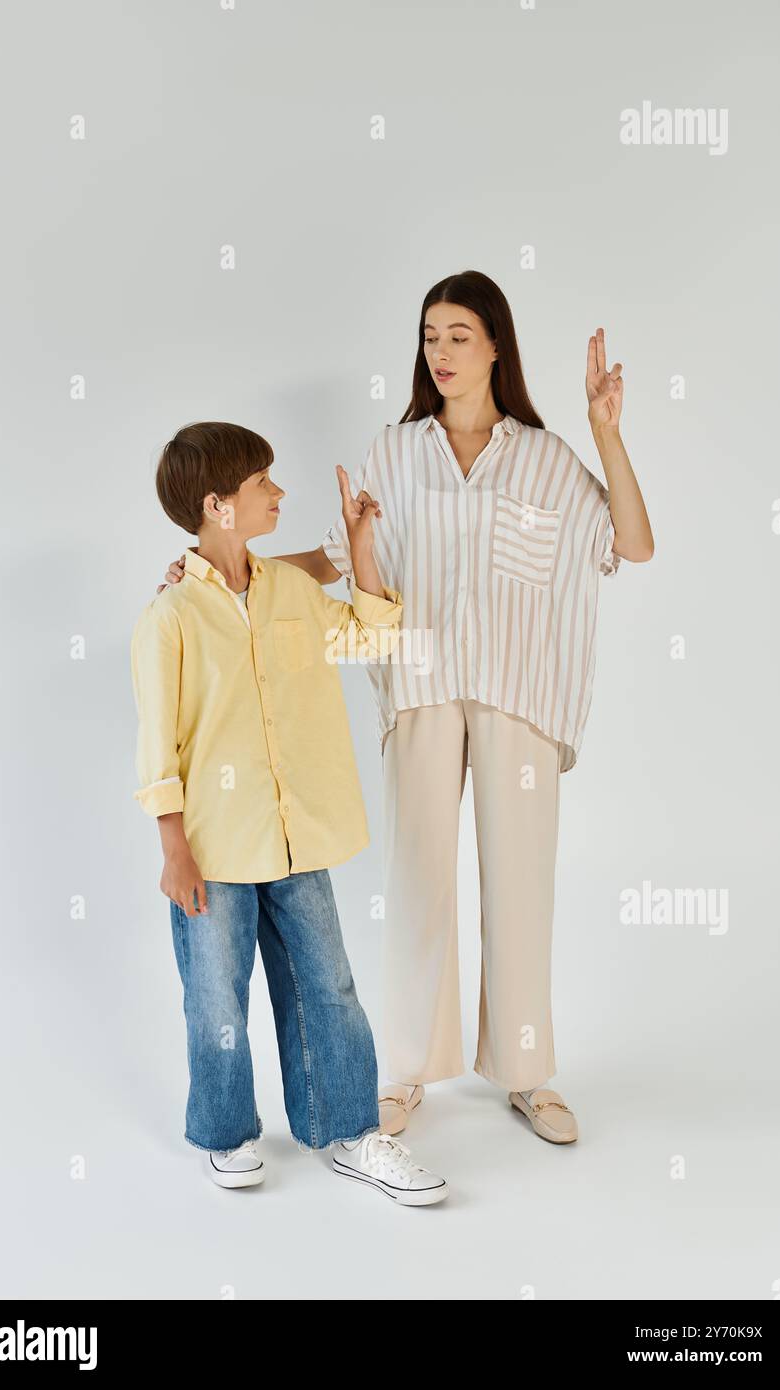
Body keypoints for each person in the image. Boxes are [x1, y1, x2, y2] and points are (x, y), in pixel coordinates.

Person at [159, 270, 655, 1149]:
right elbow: (343, 560)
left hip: (522, 690)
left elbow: (631, 543)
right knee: (419, 882)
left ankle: (528, 1076)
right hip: (417, 684)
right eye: (430, 335)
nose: (442, 351)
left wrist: (606, 434)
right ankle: (408, 1070)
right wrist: (210, 570)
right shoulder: (394, 449)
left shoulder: (546, 459)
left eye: (460, 334)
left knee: (522, 885)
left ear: (497, 344)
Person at [131, 420, 448, 1204]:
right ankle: (225, 1132)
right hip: (212, 847)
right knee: (215, 994)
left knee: (328, 986)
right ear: (220, 505)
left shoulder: (292, 594)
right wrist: (174, 850)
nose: (279, 493)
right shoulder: (169, 617)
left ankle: (345, 1129)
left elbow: (374, 637)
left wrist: (360, 545)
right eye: (264, 484)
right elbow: (157, 749)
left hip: (299, 834)